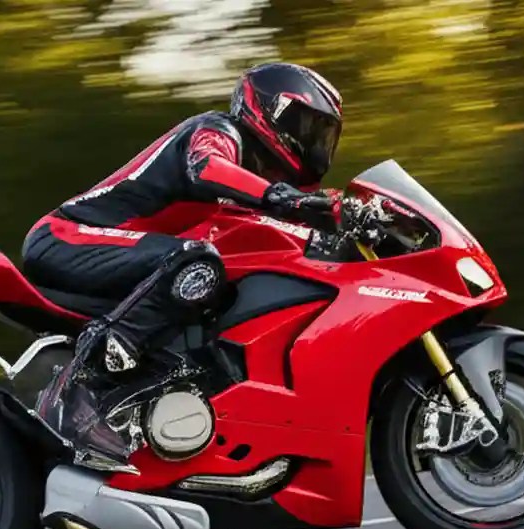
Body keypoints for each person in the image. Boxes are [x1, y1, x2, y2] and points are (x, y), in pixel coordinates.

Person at [21, 62, 345, 467]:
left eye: (322, 134)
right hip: (68, 236)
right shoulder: (218, 132)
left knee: (219, 285)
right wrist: (285, 198)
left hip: (116, 251)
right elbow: (207, 167)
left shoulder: (256, 178)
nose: (312, 140)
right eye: (306, 125)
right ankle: (78, 386)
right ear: (268, 111)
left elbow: (275, 225)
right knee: (193, 259)